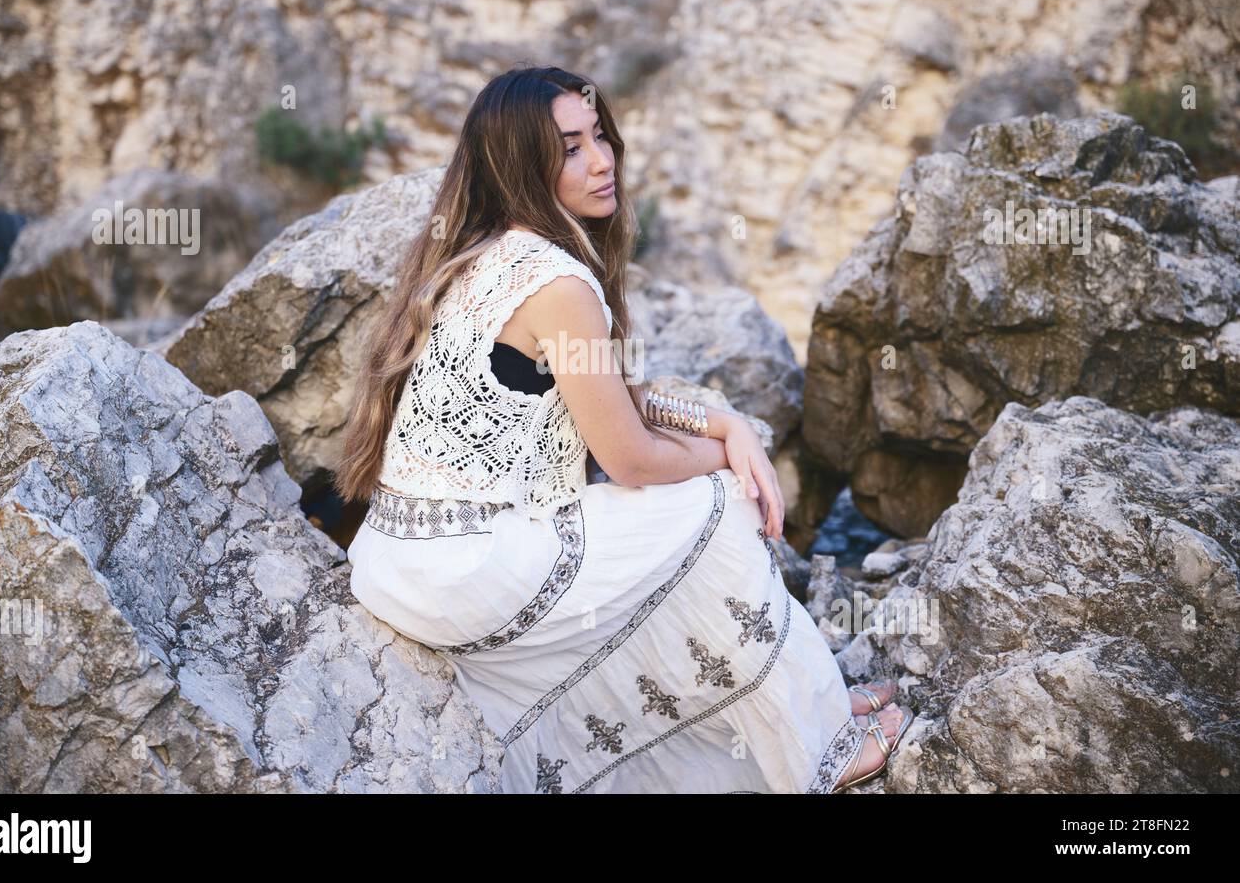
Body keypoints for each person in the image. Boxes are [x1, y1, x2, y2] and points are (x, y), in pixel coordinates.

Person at [335, 64, 912, 793]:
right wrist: (729, 461)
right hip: (463, 568)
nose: (602, 160)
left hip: (401, 558)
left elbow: (617, 399)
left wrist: (721, 423)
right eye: (571, 147)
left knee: (685, 513)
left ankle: (804, 704)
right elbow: (629, 459)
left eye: (599, 135)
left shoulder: (484, 254)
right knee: (716, 508)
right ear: (521, 163)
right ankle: (824, 745)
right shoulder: (558, 284)